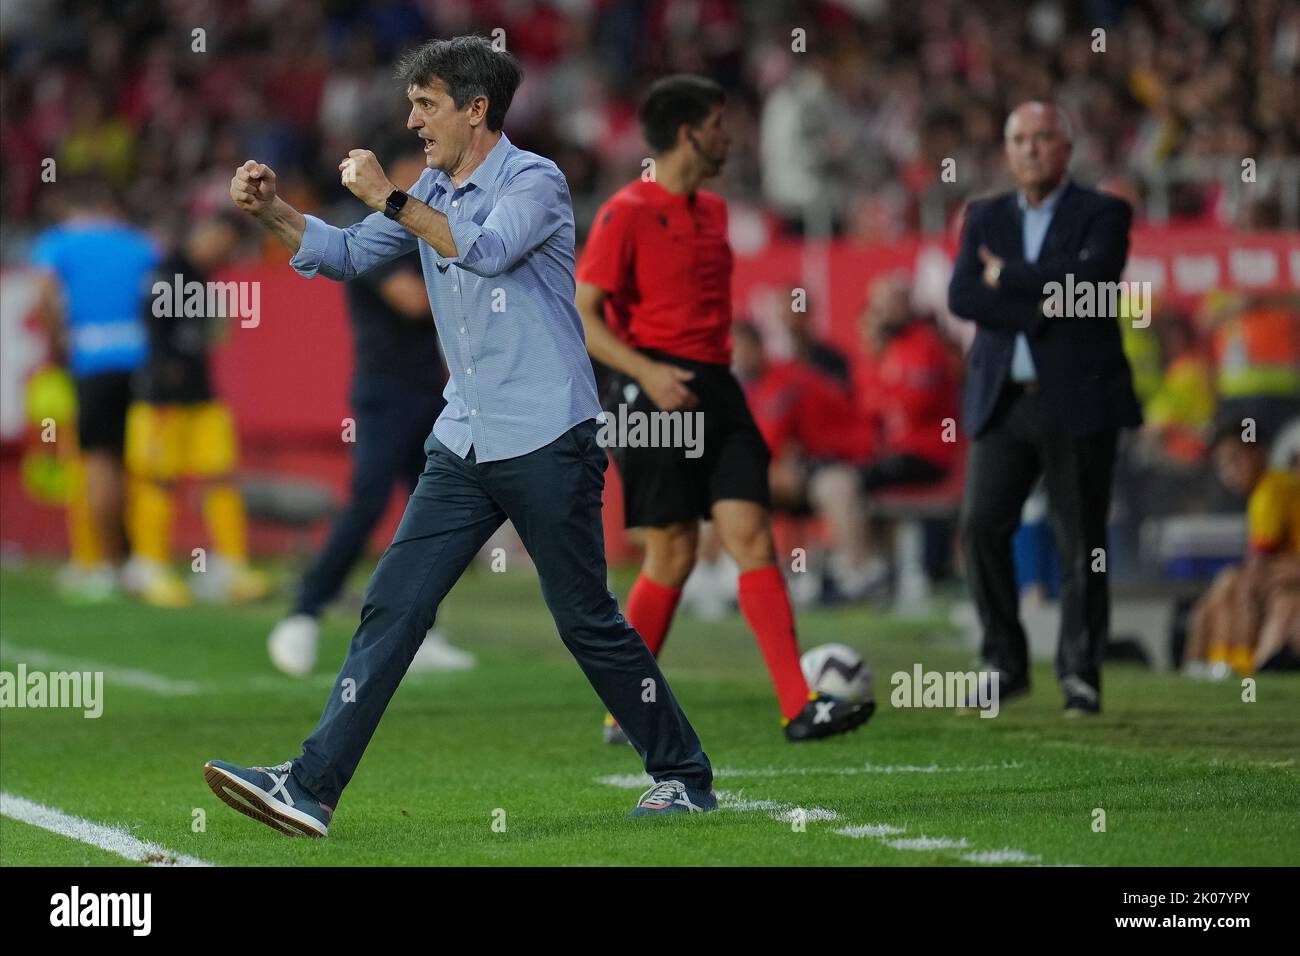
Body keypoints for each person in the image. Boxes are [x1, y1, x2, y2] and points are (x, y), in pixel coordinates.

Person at [204, 37, 716, 835]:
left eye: (427, 105)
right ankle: (309, 787)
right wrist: (271, 210)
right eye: (412, 105)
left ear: (477, 110)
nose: (413, 121)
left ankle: (682, 770)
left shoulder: (535, 180)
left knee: (584, 619)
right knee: (392, 606)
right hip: (466, 438)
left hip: (549, 434)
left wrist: (391, 198)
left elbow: (483, 250)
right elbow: (340, 254)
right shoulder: (432, 186)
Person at [574, 74, 874, 744]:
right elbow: (585, 318)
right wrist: (649, 373)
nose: (728, 137)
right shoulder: (624, 212)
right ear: (686, 135)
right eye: (718, 124)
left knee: (751, 536)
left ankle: (799, 705)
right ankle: (626, 703)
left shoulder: (713, 212)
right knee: (673, 554)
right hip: (647, 392)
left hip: (718, 389)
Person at [947, 102, 1142, 716]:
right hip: (1004, 401)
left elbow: (1093, 282)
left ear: (1067, 146)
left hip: (1079, 401)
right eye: (1019, 139)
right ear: (1006, 151)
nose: (1030, 149)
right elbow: (963, 295)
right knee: (980, 525)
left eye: (1043, 137)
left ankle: (1081, 673)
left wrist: (1008, 276)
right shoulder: (983, 216)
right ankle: (1004, 662)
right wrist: (1039, 302)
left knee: (1081, 539)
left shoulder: (1105, 211)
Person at [266, 145, 474, 676]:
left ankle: (418, 630)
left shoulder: (421, 235)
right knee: (367, 503)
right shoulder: (380, 236)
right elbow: (414, 301)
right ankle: (303, 613)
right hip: (383, 394)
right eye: (416, 171)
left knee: (431, 513)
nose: (429, 181)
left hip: (430, 391)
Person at [122, 213, 272, 608]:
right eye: (218, 238)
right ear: (201, 232)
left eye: (228, 244)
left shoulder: (204, 279)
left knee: (220, 478)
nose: (221, 249)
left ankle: (229, 568)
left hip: (202, 397)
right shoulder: (166, 271)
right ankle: (148, 565)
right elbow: (157, 334)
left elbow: (214, 336)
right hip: (161, 403)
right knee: (160, 481)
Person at [30, 178, 158, 602]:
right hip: (142, 363)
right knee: (138, 465)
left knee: (99, 465)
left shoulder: (57, 243)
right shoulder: (141, 244)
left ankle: (106, 565)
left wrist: (58, 343)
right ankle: (145, 560)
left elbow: (47, 295)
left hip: (93, 360)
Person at [807, 273, 960, 601]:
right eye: (877, 304)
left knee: (838, 484)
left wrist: (881, 391)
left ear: (905, 305)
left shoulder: (923, 346)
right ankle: (859, 567)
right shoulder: (881, 353)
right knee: (829, 479)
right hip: (894, 454)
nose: (880, 312)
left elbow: (912, 405)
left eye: (887, 304)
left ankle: (863, 571)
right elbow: (867, 412)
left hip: (926, 455)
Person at [1185, 423, 1300, 676]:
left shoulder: (1270, 490)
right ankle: (1211, 663)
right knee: (1224, 589)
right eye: (1223, 465)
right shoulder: (1267, 489)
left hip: (1290, 579)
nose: (1230, 472)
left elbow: (1259, 563)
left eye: (1235, 459)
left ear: (1258, 453)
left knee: (1236, 585)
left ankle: (1235, 662)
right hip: (1287, 573)